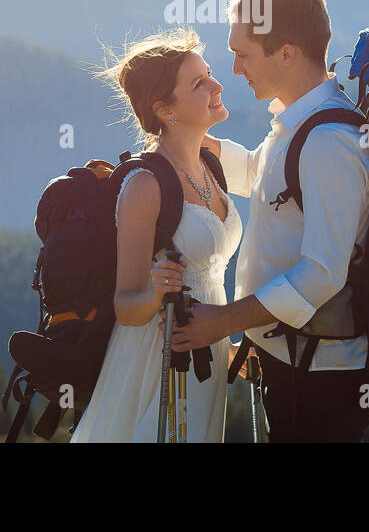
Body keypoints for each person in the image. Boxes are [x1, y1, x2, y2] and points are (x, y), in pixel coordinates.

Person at [169, 0, 369, 442]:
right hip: (293, 358)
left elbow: (324, 273)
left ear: (286, 54)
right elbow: (267, 182)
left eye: (242, 55)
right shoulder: (302, 122)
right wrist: (191, 139)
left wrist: (225, 321)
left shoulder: (329, 142)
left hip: (321, 377)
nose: (236, 69)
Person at [69, 27, 241, 442]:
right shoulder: (145, 185)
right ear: (166, 109)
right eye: (200, 83)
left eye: (210, 73)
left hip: (206, 353)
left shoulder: (211, 169)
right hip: (154, 363)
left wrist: (228, 342)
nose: (218, 85)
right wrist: (153, 293)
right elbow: (126, 304)